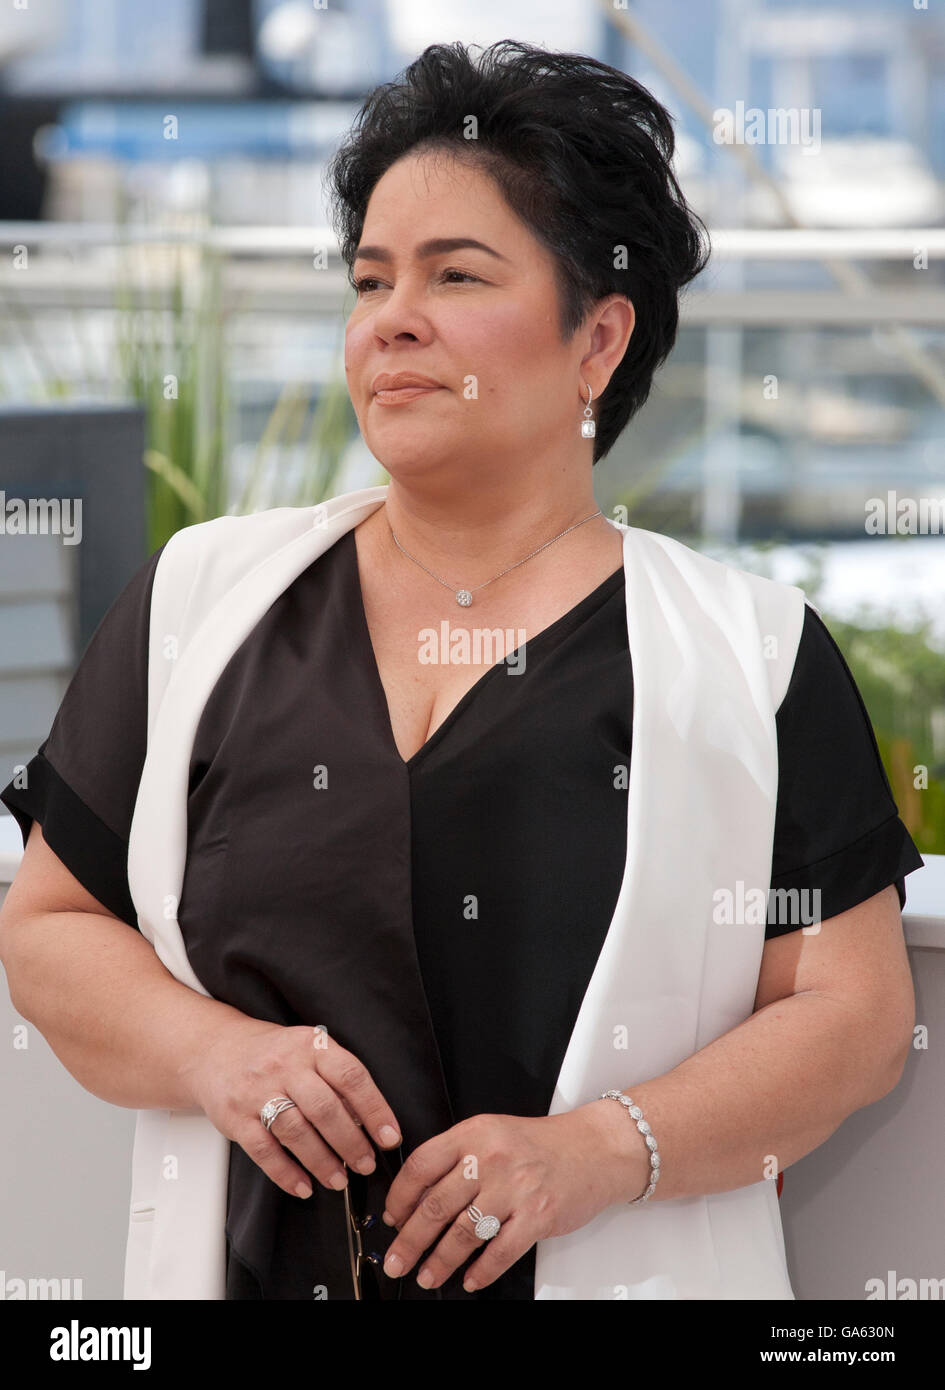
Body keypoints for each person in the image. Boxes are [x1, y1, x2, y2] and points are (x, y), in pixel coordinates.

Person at [0, 40, 922, 1302]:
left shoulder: (748, 656)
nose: (393, 318)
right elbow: (50, 927)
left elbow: (855, 1018)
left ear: (598, 339)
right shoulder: (201, 601)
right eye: (371, 279)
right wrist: (212, 1051)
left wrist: (604, 1150)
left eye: (456, 273)